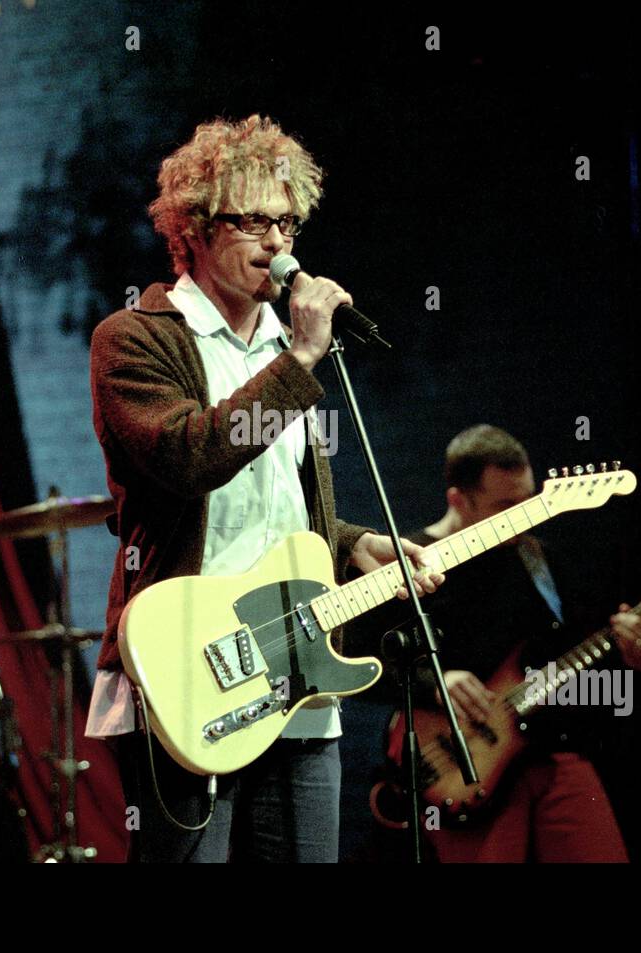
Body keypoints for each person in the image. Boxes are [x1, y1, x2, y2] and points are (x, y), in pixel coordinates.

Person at [85, 114, 444, 862]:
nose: (278, 243)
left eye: (287, 221)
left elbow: (278, 506)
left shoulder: (286, 351)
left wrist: (355, 543)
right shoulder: (137, 339)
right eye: (255, 221)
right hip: (191, 668)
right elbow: (194, 458)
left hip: (296, 666)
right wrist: (303, 359)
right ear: (195, 227)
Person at [385, 425, 641, 861]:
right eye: (506, 506)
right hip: (466, 765)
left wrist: (630, 657)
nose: (525, 514)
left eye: (529, 500)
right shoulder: (412, 561)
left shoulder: (538, 558)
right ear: (458, 499)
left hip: (550, 750)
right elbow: (366, 664)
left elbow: (570, 659)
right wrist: (433, 681)